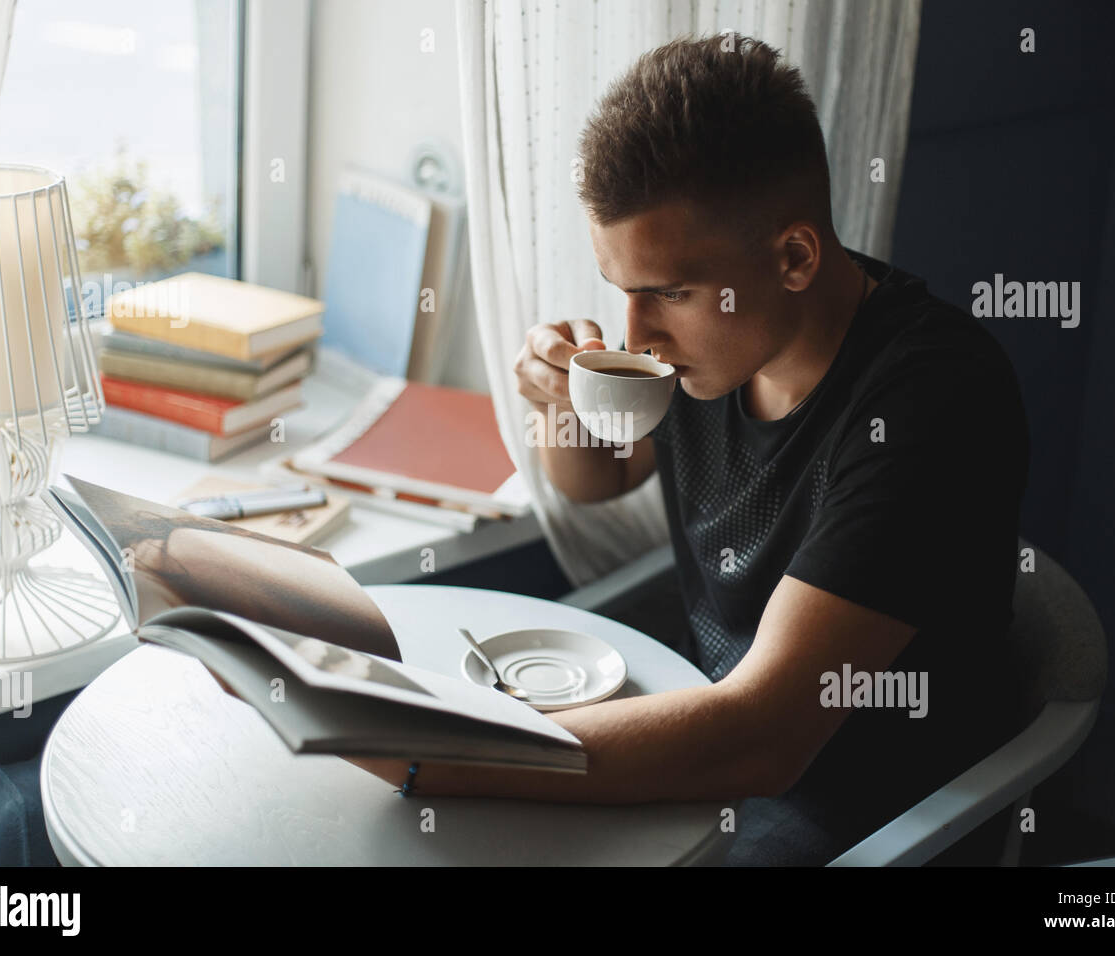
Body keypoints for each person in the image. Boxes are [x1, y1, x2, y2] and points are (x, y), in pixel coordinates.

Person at [341, 34, 1030, 865]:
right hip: (713, 740)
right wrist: (554, 402)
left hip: (862, 810)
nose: (639, 336)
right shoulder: (723, 346)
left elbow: (766, 738)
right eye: (622, 292)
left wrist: (442, 758)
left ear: (795, 256)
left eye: (669, 292)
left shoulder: (932, 402)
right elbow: (600, 479)